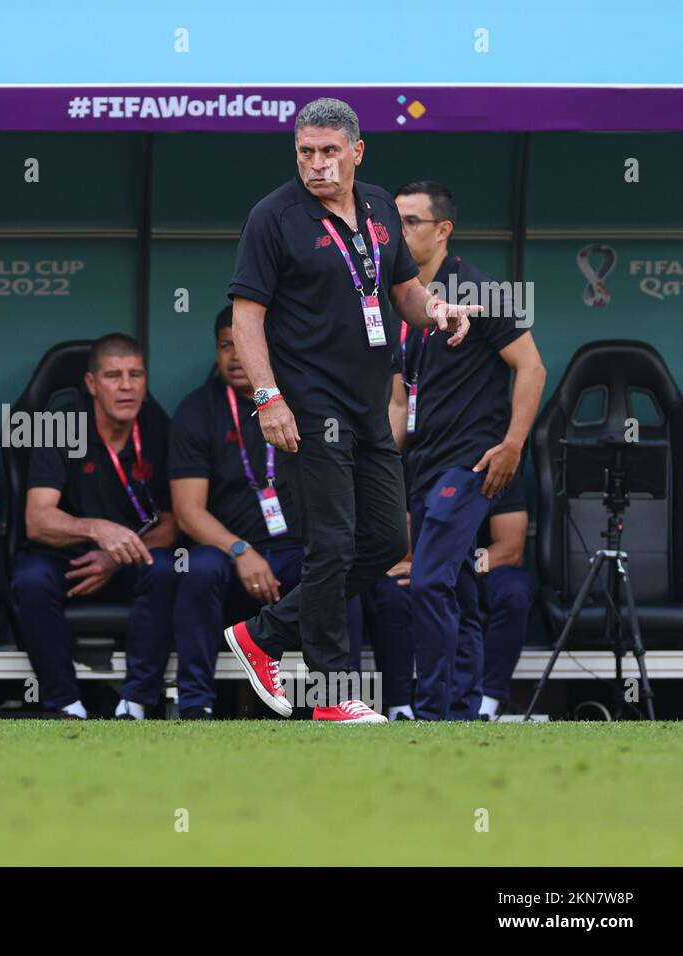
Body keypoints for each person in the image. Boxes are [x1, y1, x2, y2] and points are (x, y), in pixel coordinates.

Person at [223, 97, 479, 724]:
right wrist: (267, 397)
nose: (316, 165)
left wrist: (438, 310)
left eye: (329, 152)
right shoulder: (273, 216)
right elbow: (246, 314)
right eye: (306, 152)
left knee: (388, 538)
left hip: (371, 405)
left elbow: (402, 293)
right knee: (332, 545)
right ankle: (331, 696)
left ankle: (263, 635)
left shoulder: (381, 206)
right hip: (311, 405)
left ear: (356, 153)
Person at [389, 180, 545, 720]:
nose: (399, 231)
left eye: (411, 221)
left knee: (428, 580)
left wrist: (513, 445)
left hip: (470, 461)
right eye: (395, 220)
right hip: (421, 465)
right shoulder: (398, 300)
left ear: (443, 230)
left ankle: (433, 712)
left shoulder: (482, 292)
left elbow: (532, 367)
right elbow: (397, 401)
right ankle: (462, 710)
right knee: (457, 587)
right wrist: (383, 460)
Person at [169, 306, 363, 718]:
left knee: (339, 572)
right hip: (229, 552)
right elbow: (188, 512)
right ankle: (195, 706)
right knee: (196, 569)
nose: (235, 357)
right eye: (226, 346)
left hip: (297, 550)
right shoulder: (197, 410)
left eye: (242, 346)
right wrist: (240, 550)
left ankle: (335, 700)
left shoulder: (301, 404)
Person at [11, 333, 179, 720]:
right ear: (91, 384)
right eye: (113, 375)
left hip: (129, 559)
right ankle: (65, 704)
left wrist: (115, 557)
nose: (126, 386)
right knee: (30, 580)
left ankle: (135, 702)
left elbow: (173, 523)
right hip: (65, 560)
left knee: (168, 569)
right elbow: (38, 520)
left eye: (135, 375)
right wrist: (97, 530)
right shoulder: (61, 426)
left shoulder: (159, 430)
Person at [475, 480, 534, 720]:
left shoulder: (498, 468)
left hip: (477, 567)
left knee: (515, 592)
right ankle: (401, 708)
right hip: (426, 569)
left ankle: (487, 704)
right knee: (392, 591)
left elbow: (510, 548)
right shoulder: (417, 461)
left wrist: (457, 570)